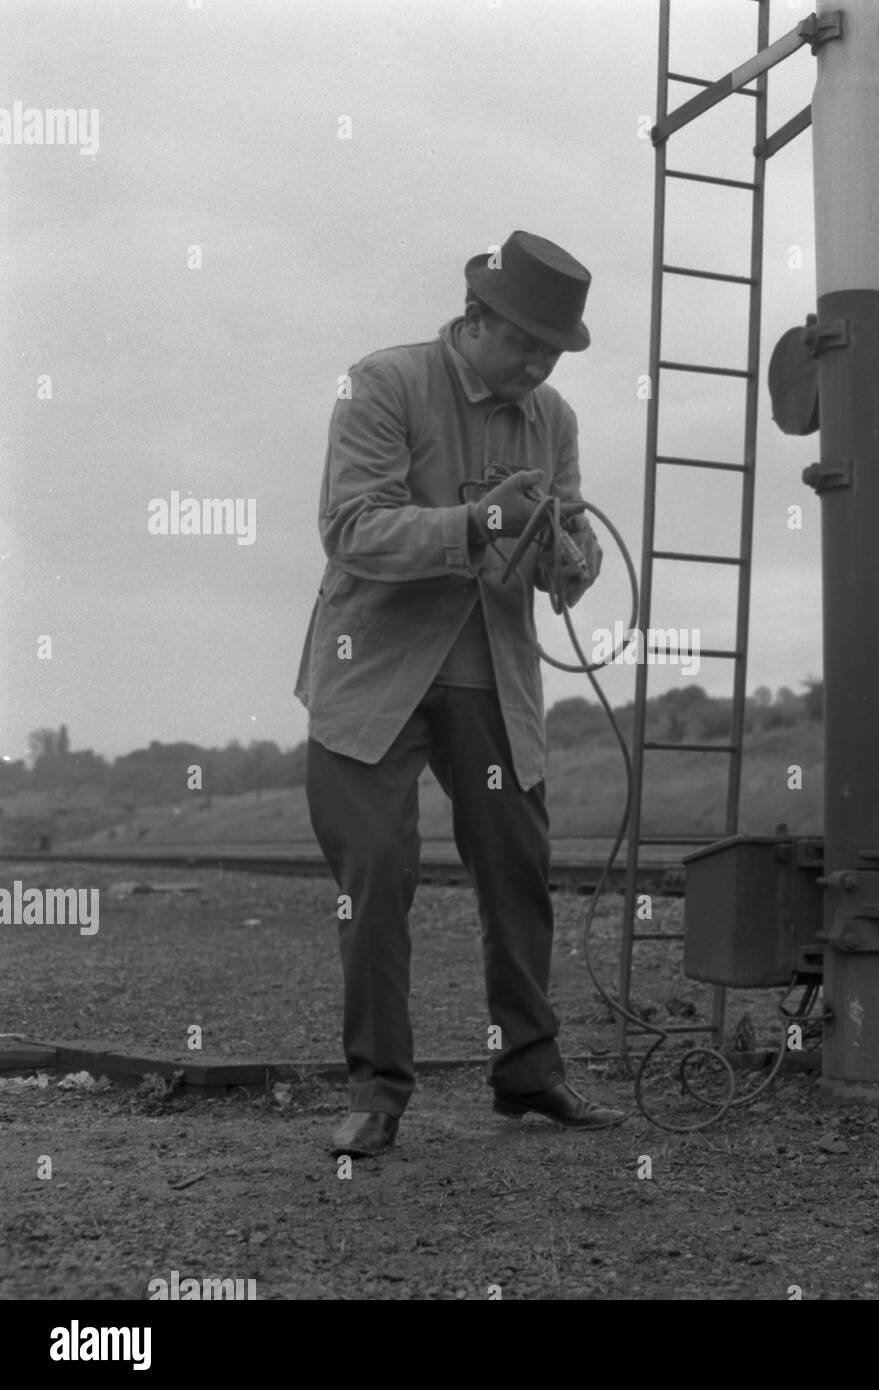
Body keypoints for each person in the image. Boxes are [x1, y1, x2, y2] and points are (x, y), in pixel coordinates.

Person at [295, 229, 626, 1158]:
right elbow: (352, 529)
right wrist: (480, 520)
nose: (537, 366)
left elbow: (565, 556)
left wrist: (571, 558)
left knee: (519, 878)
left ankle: (529, 1073)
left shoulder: (552, 418)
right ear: (474, 319)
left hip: (494, 676)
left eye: (552, 352)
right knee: (377, 878)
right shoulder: (383, 384)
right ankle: (376, 1091)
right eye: (523, 344)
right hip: (374, 678)